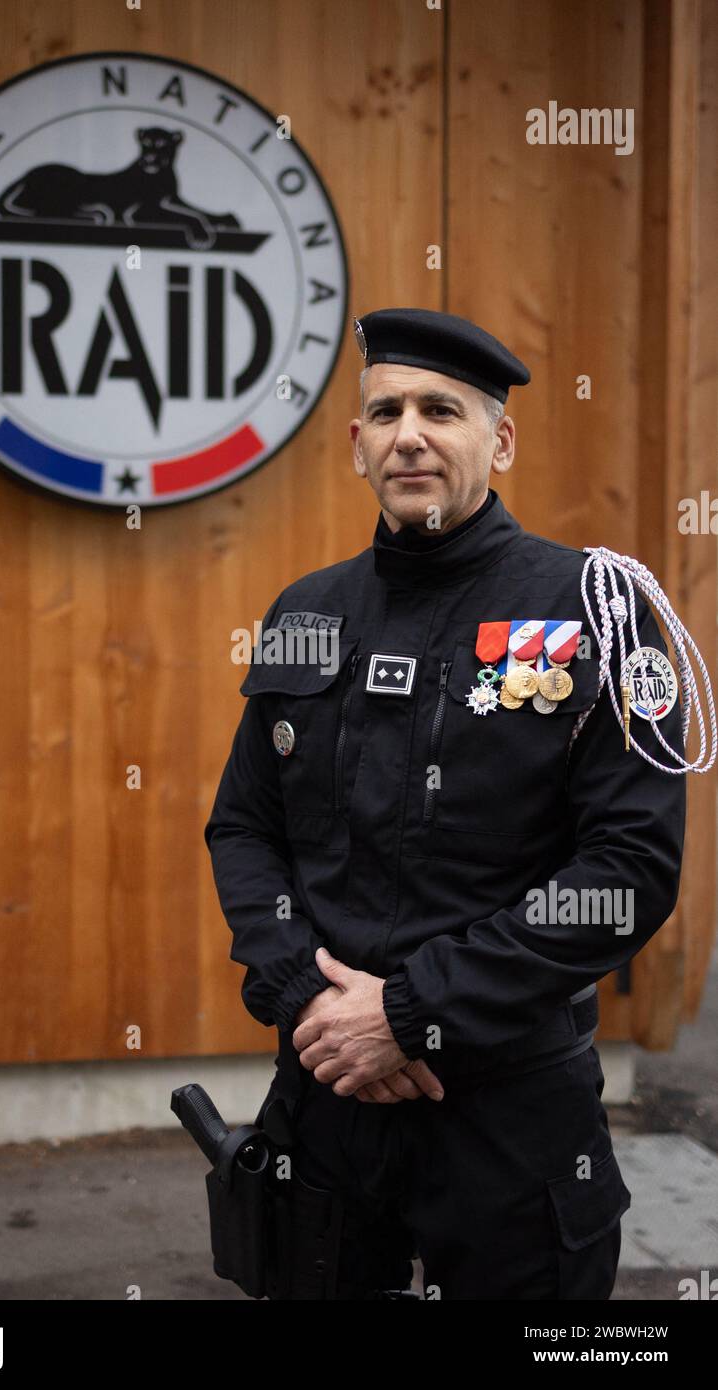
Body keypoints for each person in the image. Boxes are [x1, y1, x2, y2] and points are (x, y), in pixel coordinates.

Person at [203, 307, 687, 1300]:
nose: (408, 433)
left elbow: (625, 870)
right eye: (384, 411)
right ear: (356, 445)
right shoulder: (306, 612)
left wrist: (410, 1011)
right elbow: (244, 826)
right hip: (326, 1099)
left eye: (440, 409)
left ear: (497, 438)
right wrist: (310, 998)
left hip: (504, 1117)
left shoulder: (592, 610)